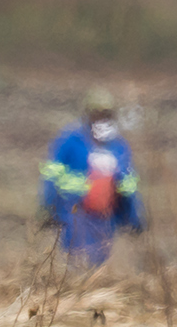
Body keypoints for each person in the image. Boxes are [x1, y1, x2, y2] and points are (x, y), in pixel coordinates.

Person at [40, 88, 146, 266]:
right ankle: (77, 290)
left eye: (106, 114)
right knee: (76, 258)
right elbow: (52, 175)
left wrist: (134, 216)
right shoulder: (70, 141)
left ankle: (93, 287)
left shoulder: (118, 146)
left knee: (99, 259)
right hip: (74, 210)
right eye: (97, 114)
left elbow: (128, 185)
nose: (101, 118)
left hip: (105, 214)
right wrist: (48, 207)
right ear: (88, 115)